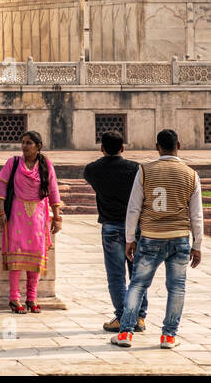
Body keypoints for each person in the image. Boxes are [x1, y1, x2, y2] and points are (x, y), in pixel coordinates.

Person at [111, 129, 203, 349]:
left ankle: (126, 333)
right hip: (179, 237)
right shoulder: (190, 174)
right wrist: (197, 245)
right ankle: (169, 336)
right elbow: (196, 215)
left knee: (138, 284)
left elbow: (133, 208)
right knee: (177, 288)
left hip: (151, 236)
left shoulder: (145, 170)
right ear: (178, 145)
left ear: (157, 147)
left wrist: (130, 238)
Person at [0, 131, 63, 313]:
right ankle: (14, 298)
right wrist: (1, 211)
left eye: (29, 143)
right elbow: (1, 185)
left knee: (36, 256)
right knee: (16, 256)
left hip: (38, 216)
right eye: (23, 143)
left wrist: (56, 217)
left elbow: (53, 190)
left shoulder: (45, 164)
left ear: (38, 146)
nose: (24, 146)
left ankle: (32, 298)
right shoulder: (13, 163)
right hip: (16, 214)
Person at [84, 131, 147, 332]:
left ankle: (122, 316)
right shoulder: (135, 169)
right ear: (123, 148)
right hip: (133, 225)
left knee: (116, 275)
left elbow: (92, 172)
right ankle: (138, 316)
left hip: (111, 226)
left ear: (102, 148)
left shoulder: (92, 170)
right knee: (137, 273)